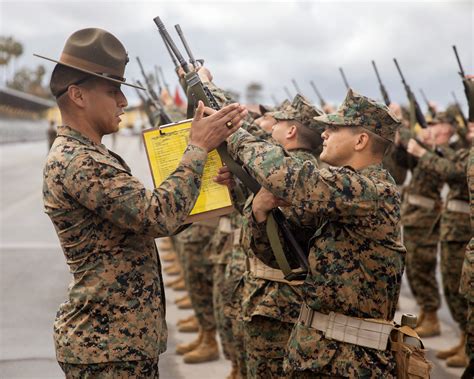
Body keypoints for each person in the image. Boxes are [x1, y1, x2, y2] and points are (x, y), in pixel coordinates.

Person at [36, 27, 246, 377]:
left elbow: (147, 219)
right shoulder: (79, 161)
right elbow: (155, 216)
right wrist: (196, 149)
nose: (123, 102)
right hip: (106, 345)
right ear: (78, 95)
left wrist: (208, 186)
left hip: (117, 340)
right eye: (113, 90)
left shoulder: (90, 154)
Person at [225, 89, 406, 377]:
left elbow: (286, 176)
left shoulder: (371, 191)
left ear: (361, 140)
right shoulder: (343, 197)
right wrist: (260, 212)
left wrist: (234, 134)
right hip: (319, 354)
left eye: (334, 128)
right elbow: (281, 257)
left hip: (349, 363)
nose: (324, 133)